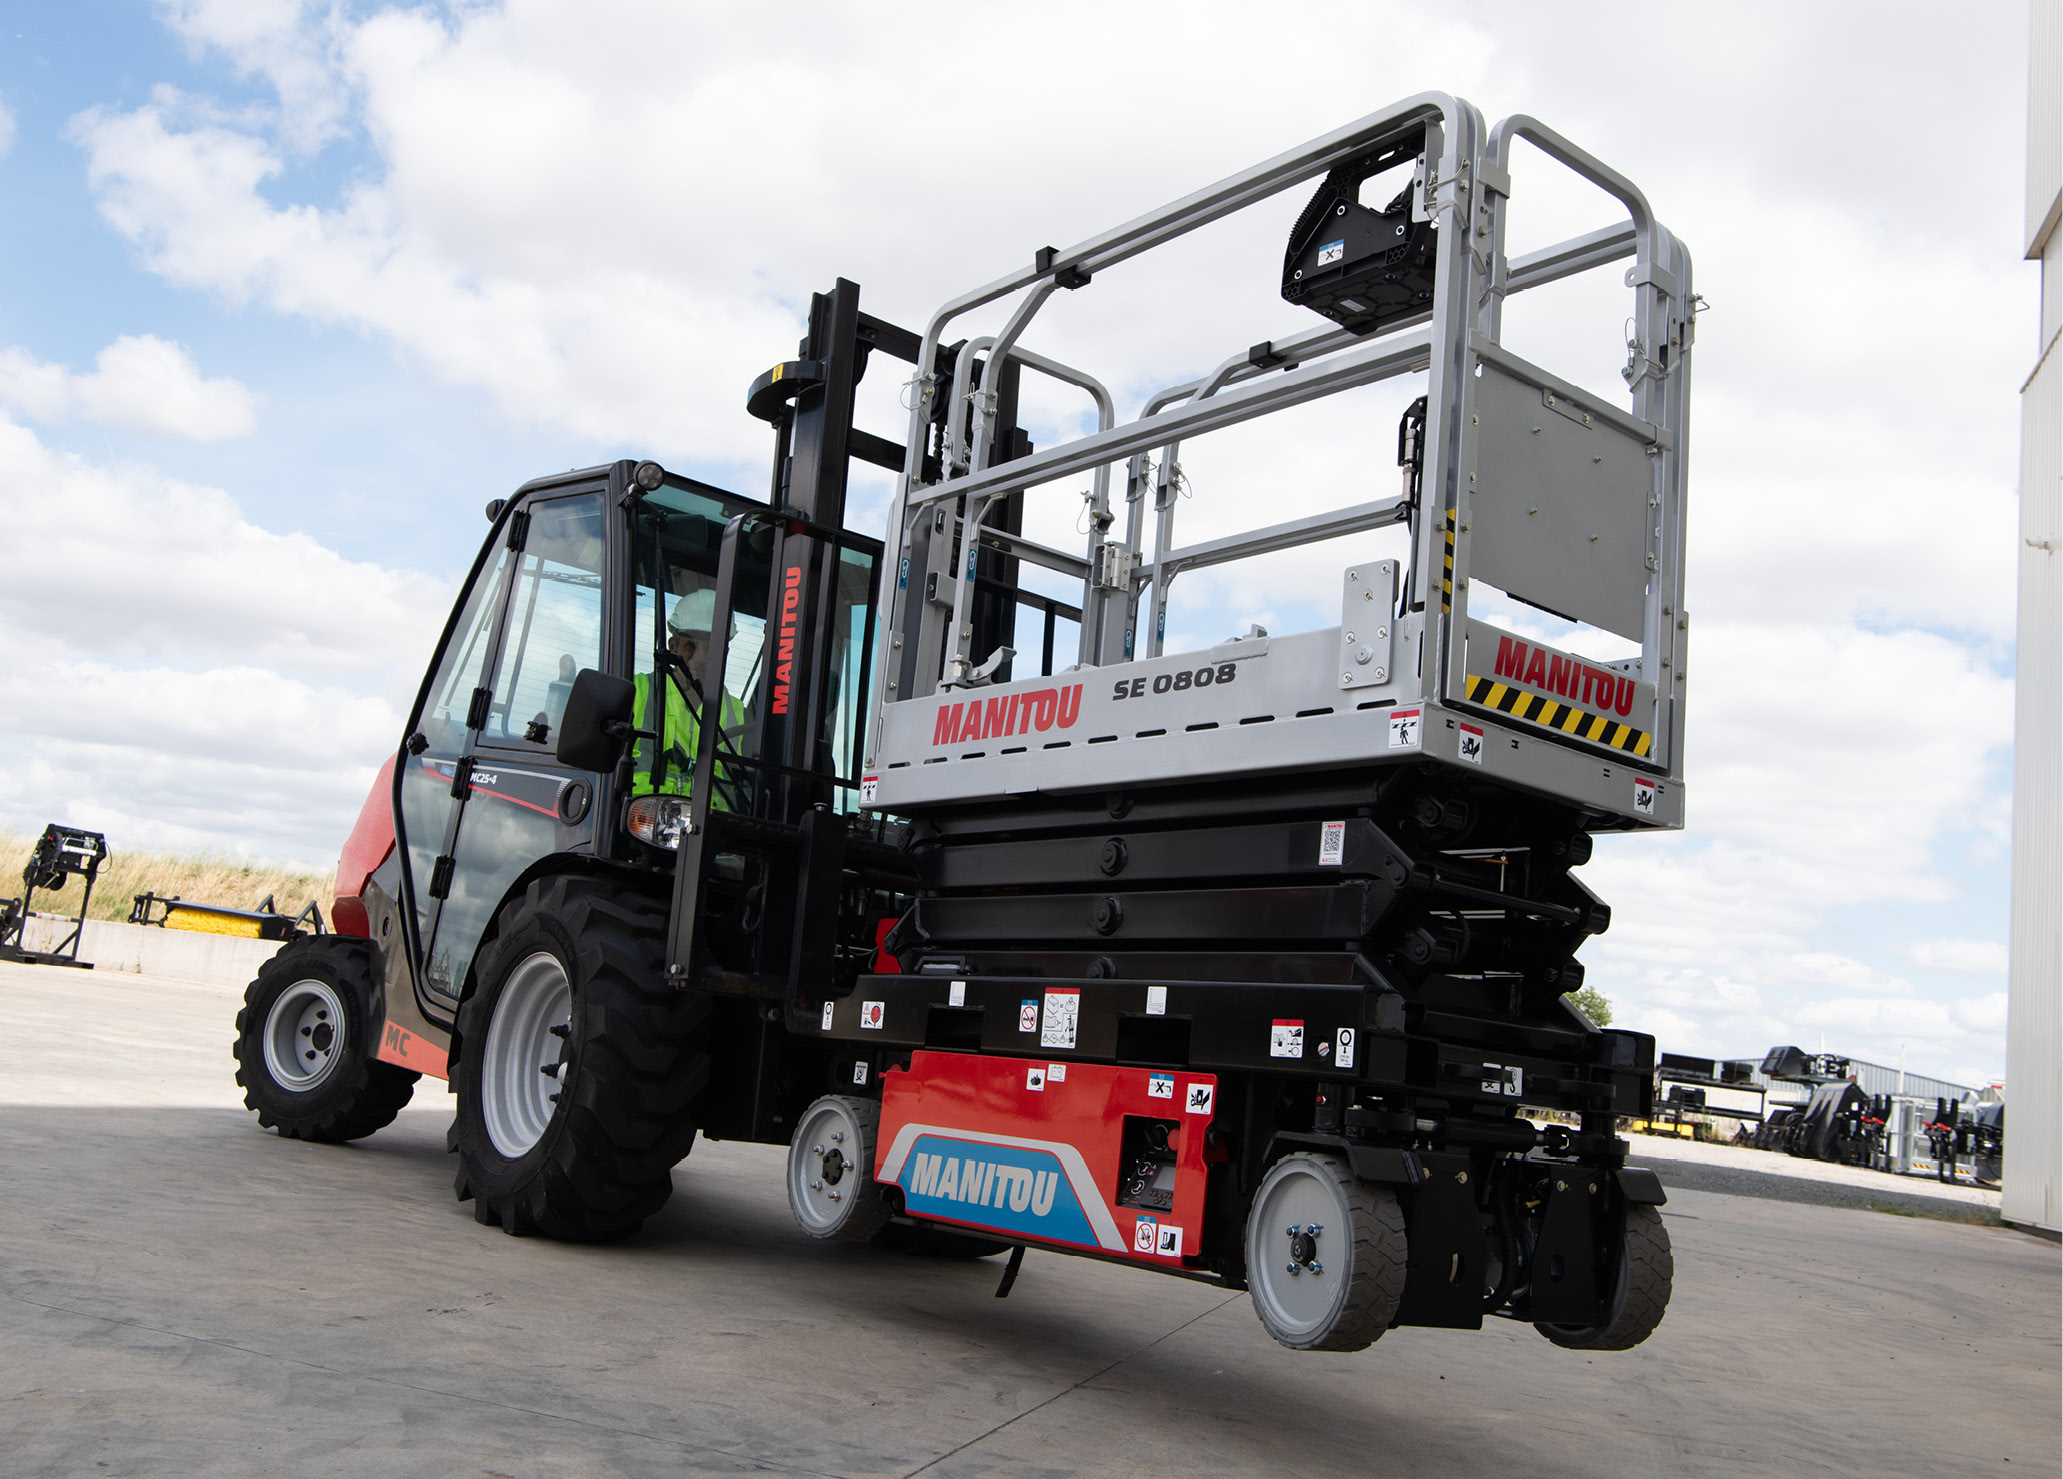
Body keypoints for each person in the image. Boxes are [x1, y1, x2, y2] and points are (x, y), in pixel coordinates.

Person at [631, 587, 746, 803]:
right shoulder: (635, 692)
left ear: (725, 652)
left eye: (712, 648)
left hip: (711, 831)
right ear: (672, 646)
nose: (701, 658)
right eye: (690, 645)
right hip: (638, 825)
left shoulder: (741, 715)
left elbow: (749, 788)